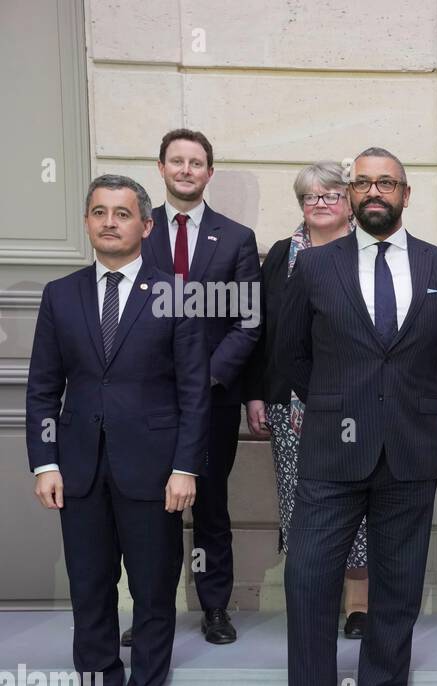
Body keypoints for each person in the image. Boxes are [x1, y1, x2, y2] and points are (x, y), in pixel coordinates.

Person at [277, 147, 437, 686]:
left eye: (387, 183)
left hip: (409, 451)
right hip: (331, 452)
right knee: (309, 581)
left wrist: (412, 403)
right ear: (349, 196)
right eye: (362, 183)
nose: (374, 192)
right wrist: (334, 404)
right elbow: (289, 353)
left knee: (397, 588)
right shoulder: (314, 266)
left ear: (406, 194)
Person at [27, 174, 209, 686]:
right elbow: (42, 388)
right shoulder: (61, 294)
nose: (110, 222)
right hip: (78, 471)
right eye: (100, 212)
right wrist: (44, 462)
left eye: (122, 213)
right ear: (87, 222)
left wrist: (186, 467)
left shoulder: (174, 294)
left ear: (145, 225)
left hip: (155, 471)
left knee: (154, 592)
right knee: (90, 591)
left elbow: (195, 391)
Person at [129, 128, 259, 647]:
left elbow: (248, 321)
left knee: (210, 506)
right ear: (160, 168)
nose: (186, 170)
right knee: (148, 510)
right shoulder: (138, 231)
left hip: (214, 399)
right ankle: (150, 613)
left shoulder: (235, 239)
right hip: (147, 401)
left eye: (196, 162)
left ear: (210, 172)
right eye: (177, 161)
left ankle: (214, 608)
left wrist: (202, 378)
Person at [242, 162, 370, 639]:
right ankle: (313, 600)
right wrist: (254, 392)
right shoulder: (281, 255)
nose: (320, 202)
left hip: (357, 403)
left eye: (331, 194)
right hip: (288, 404)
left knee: (358, 501)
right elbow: (260, 329)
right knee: (300, 504)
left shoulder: (369, 251)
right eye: (310, 196)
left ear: (350, 201)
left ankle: (358, 605)